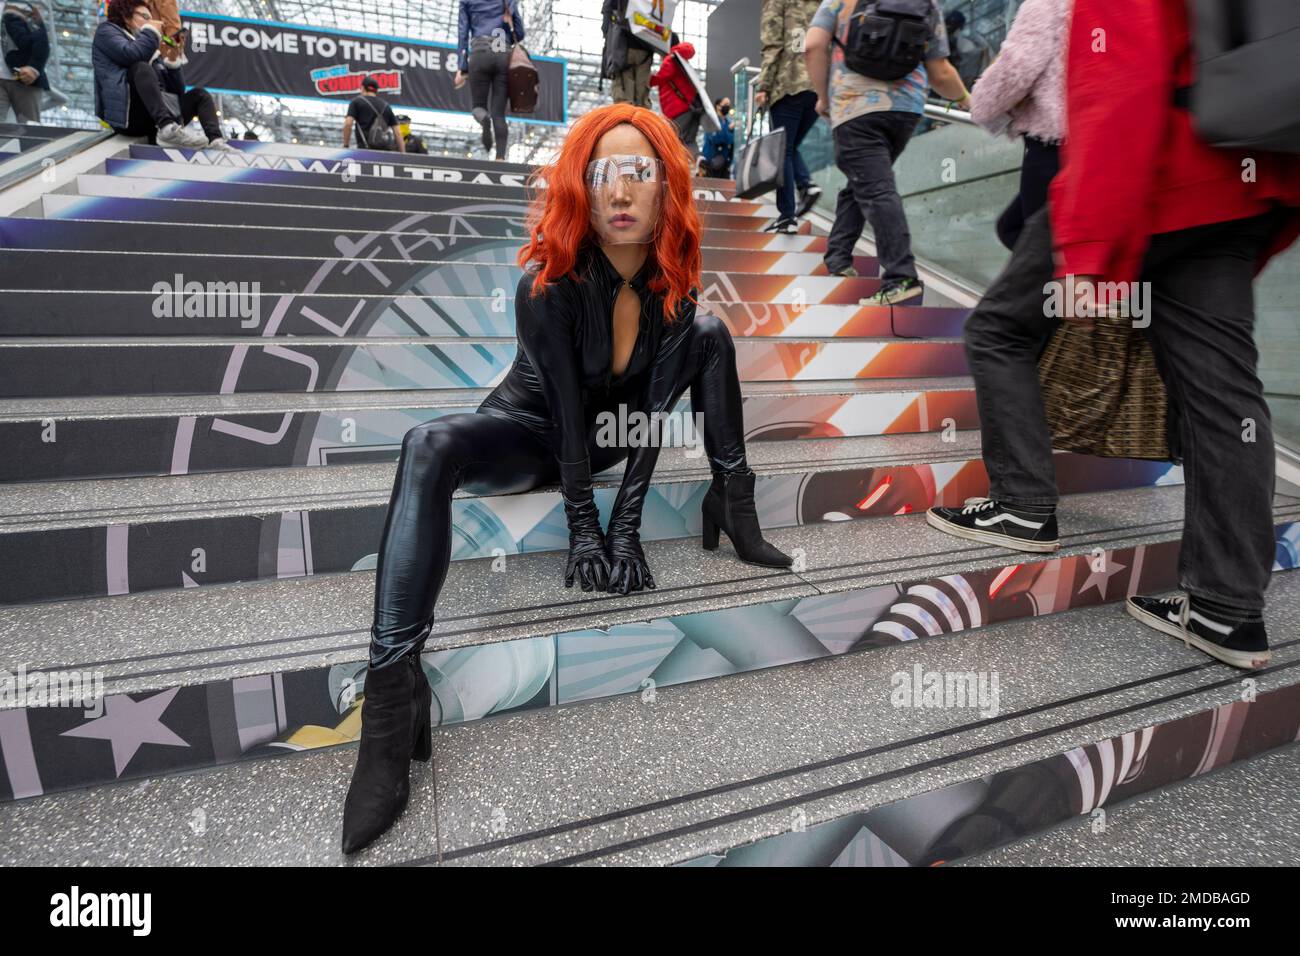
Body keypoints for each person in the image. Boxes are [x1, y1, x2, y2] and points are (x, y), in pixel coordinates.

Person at [341, 103, 793, 854]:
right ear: (580, 188)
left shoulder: (674, 292)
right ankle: (392, 697)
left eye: (639, 172)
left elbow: (647, 416)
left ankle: (732, 501)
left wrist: (627, 529)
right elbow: (564, 410)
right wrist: (585, 526)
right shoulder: (544, 287)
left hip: (613, 441)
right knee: (426, 443)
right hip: (533, 431)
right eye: (601, 172)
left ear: (666, 189)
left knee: (711, 331)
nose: (620, 190)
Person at [926, 0, 1300, 671]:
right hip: (1240, 185)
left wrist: (1092, 249)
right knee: (1225, 395)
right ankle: (1226, 607)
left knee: (997, 329)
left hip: (1161, 179)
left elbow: (1123, 86)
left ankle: (1022, 505)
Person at [806, 0, 970, 297]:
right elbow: (940, 71)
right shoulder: (927, 3)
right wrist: (967, 101)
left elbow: (813, 45)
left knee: (876, 188)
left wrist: (823, 97)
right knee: (865, 181)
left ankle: (901, 276)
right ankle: (838, 257)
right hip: (905, 111)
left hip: (854, 106)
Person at [969, 0, 1068, 250]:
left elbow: (1015, 69)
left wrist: (979, 103)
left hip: (1052, 146)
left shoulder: (1046, 5)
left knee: (1041, 249)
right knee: (1013, 228)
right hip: (1092, 142)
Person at [92, 0, 228, 149]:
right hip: (128, 117)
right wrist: (150, 31)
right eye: (145, 17)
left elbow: (176, 93)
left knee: (200, 95)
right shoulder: (106, 31)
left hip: (154, 118)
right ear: (126, 16)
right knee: (141, 67)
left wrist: (172, 63)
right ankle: (166, 129)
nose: (152, 22)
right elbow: (132, 55)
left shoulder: (147, 45)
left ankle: (216, 141)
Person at [756, 0, 823, 234]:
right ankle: (807, 185)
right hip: (816, 87)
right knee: (790, 147)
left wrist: (763, 86)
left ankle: (787, 215)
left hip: (788, 84)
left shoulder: (777, 2)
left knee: (782, 149)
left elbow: (773, 46)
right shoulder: (822, 4)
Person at [455, 0, 524, 161]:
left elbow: (462, 33)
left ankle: (484, 118)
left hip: (480, 52)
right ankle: (500, 158)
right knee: (499, 114)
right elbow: (519, 33)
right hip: (503, 52)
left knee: (478, 106)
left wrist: (462, 67)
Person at [649, 36, 702, 157]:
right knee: (689, 141)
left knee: (673, 139)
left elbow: (660, 78)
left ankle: (676, 170)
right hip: (693, 106)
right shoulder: (682, 59)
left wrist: (648, 78)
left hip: (678, 108)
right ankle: (699, 160)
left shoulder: (671, 59)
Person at [0, 2, 48, 123]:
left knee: (30, 128)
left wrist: (34, 67)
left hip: (24, 77)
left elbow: (41, 38)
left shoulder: (22, 5)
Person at [601, 0, 653, 108]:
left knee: (623, 98)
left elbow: (607, 19)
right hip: (646, 45)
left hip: (622, 45)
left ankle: (627, 120)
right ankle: (641, 121)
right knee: (642, 97)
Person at [343, 75, 405, 152]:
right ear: (376, 90)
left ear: (362, 88)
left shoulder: (356, 102)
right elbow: (398, 133)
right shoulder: (386, 106)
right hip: (384, 151)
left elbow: (348, 124)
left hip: (364, 149)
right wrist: (403, 153)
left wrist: (346, 145)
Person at [943, 9, 991, 93]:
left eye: (951, 25)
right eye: (947, 24)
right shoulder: (943, 44)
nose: (948, 28)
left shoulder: (971, 46)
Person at [699, 96, 734, 178]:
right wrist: (728, 130)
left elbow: (731, 141)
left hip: (724, 165)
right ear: (718, 106)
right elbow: (715, 139)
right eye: (725, 104)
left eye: (729, 104)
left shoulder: (728, 122)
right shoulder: (711, 120)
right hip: (711, 162)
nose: (728, 106)